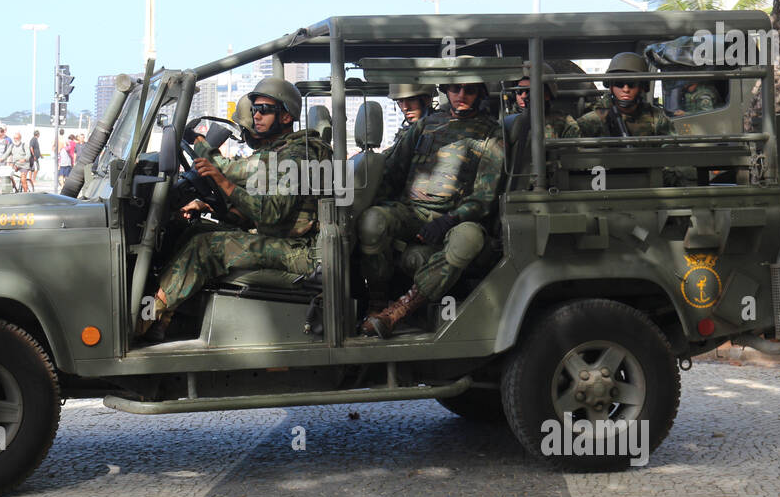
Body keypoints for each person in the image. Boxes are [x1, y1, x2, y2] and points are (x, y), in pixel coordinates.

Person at [136, 78, 332, 343]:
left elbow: (271, 213)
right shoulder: (282, 151)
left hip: (302, 252)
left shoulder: (296, 156)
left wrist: (223, 183)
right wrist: (209, 203)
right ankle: (165, 320)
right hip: (285, 240)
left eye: (265, 109)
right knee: (194, 232)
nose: (257, 115)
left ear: (286, 116)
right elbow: (255, 204)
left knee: (205, 247)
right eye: (255, 110)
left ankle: (145, 319)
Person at [357, 81, 504, 338]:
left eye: (469, 90)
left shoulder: (491, 135)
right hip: (411, 212)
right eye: (456, 89)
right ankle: (377, 304)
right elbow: (393, 172)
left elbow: (484, 197)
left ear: (480, 93)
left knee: (467, 239)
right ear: (446, 90)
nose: (461, 95)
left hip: (455, 219)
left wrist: (448, 220)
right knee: (372, 221)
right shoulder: (426, 126)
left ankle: (398, 310)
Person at [577, 53, 673, 137]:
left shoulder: (657, 119)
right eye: (619, 84)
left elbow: (671, 152)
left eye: (632, 84)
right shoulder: (591, 121)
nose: (626, 89)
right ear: (611, 87)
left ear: (641, 87)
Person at [513, 73, 580, 139]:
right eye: (519, 91)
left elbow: (572, 149)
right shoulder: (506, 120)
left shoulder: (564, 122)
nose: (523, 96)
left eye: (530, 91)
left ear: (546, 95)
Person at [388, 84, 436, 148]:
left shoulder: (440, 128)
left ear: (427, 100)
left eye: (411, 99)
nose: (405, 107)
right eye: (400, 101)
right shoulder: (407, 131)